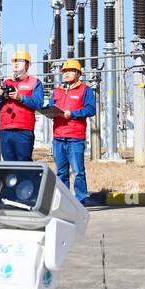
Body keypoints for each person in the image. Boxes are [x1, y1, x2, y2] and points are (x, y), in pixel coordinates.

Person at [49, 58, 96, 206]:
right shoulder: (57, 91)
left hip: (75, 138)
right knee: (61, 172)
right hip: (58, 137)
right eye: (64, 71)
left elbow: (91, 109)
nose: (66, 73)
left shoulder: (85, 90)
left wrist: (73, 114)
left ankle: (80, 201)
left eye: (69, 71)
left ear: (78, 73)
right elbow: (51, 105)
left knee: (78, 171)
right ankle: (64, 201)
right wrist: (49, 111)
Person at [0, 50, 43, 162]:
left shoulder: (35, 82)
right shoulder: (6, 83)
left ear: (27, 65)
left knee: (24, 164)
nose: (16, 63)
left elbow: (38, 103)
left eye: (19, 61)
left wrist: (21, 98)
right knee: (9, 165)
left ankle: (26, 180)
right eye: (14, 61)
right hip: (5, 130)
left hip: (23, 130)